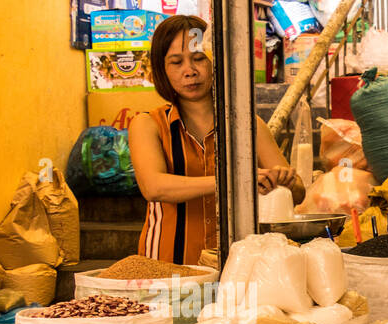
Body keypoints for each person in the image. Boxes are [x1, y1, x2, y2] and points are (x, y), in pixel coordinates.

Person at [130, 15, 305, 265]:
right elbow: (154, 187)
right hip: (166, 265)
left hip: (237, 266)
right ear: (162, 70)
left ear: (217, 61)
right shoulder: (147, 124)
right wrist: (234, 180)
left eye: (199, 58)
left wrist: (285, 179)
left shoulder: (248, 126)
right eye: (176, 62)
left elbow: (298, 191)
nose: (190, 71)